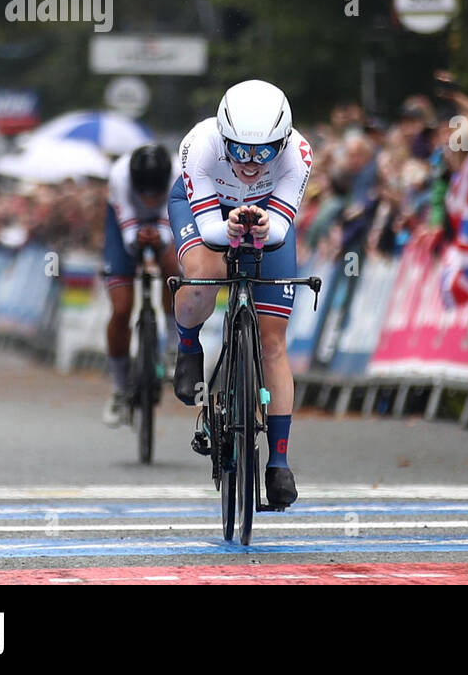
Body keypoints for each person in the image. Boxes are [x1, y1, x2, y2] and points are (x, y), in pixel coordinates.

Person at [169, 80, 312, 508]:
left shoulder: (300, 154)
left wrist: (263, 228)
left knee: (272, 342)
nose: (251, 163)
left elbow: (282, 229)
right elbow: (212, 229)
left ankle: (279, 463)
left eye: (265, 151)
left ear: (283, 142)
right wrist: (227, 229)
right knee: (201, 281)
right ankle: (188, 345)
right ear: (223, 137)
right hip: (205, 209)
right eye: (240, 150)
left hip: (269, 216)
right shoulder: (199, 143)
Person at [101, 143, 180, 427]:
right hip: (123, 222)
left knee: (175, 271)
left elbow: (174, 221)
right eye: (143, 193)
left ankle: (173, 346)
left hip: (168, 216)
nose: (148, 198)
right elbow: (127, 227)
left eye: (154, 193)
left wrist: (161, 237)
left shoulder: (179, 174)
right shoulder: (119, 175)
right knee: (122, 308)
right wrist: (139, 240)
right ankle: (120, 389)